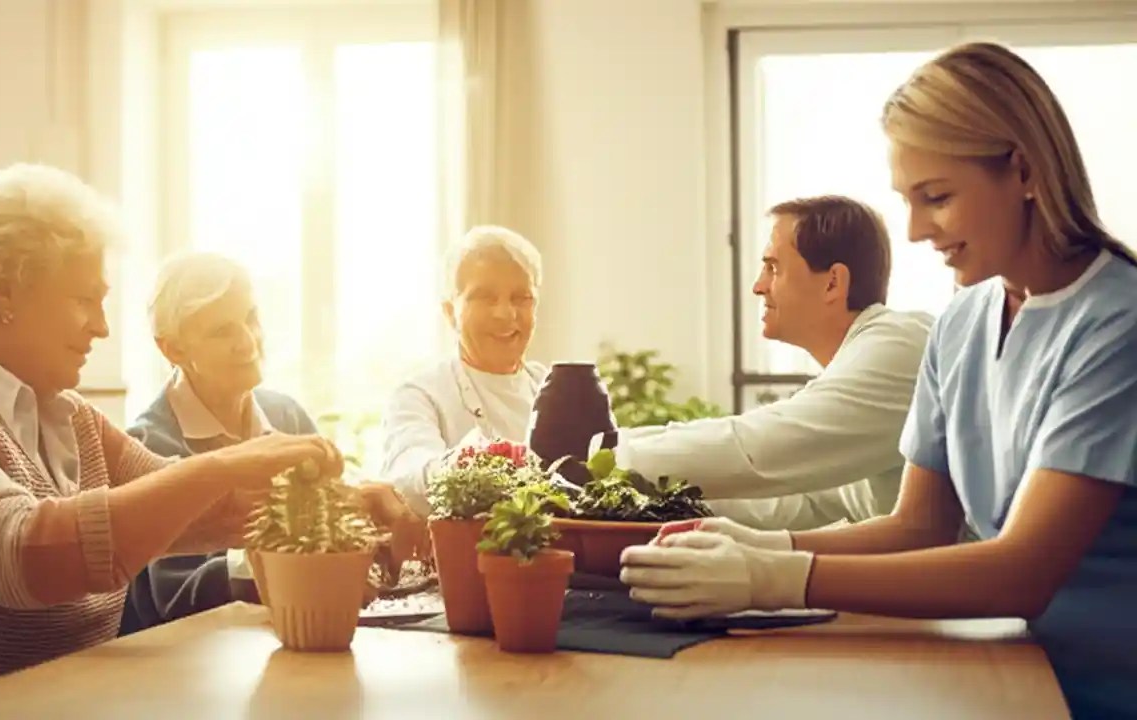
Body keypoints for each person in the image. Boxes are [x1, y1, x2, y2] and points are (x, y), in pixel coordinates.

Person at [620, 42, 1137, 719]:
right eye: (908, 200)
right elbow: (917, 525)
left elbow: (1023, 571)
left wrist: (778, 576)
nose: (918, 229)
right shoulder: (962, 323)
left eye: (938, 198)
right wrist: (760, 546)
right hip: (1001, 668)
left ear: (1025, 171)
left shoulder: (1117, 325)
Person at [0, 164, 367, 714]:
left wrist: (356, 506)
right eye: (83, 299)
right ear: (4, 289)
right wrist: (222, 465)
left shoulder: (69, 416)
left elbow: (207, 515)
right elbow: (19, 556)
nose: (101, 327)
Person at [593, 196, 934, 530]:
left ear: (833, 282)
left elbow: (755, 449)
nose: (758, 286)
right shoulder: (854, 373)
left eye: (773, 267)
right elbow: (794, 505)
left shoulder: (900, 344)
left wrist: (598, 454)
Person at [117, 252, 319, 634]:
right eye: (222, 331)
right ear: (173, 350)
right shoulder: (147, 444)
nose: (248, 342)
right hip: (181, 663)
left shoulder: (287, 416)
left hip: (278, 636)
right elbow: (172, 595)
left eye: (251, 318)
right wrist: (275, 561)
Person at [380, 225, 548, 516]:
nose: (506, 314)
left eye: (521, 298)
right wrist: (476, 461)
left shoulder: (550, 387)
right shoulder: (420, 395)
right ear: (450, 312)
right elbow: (408, 479)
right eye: (485, 297)